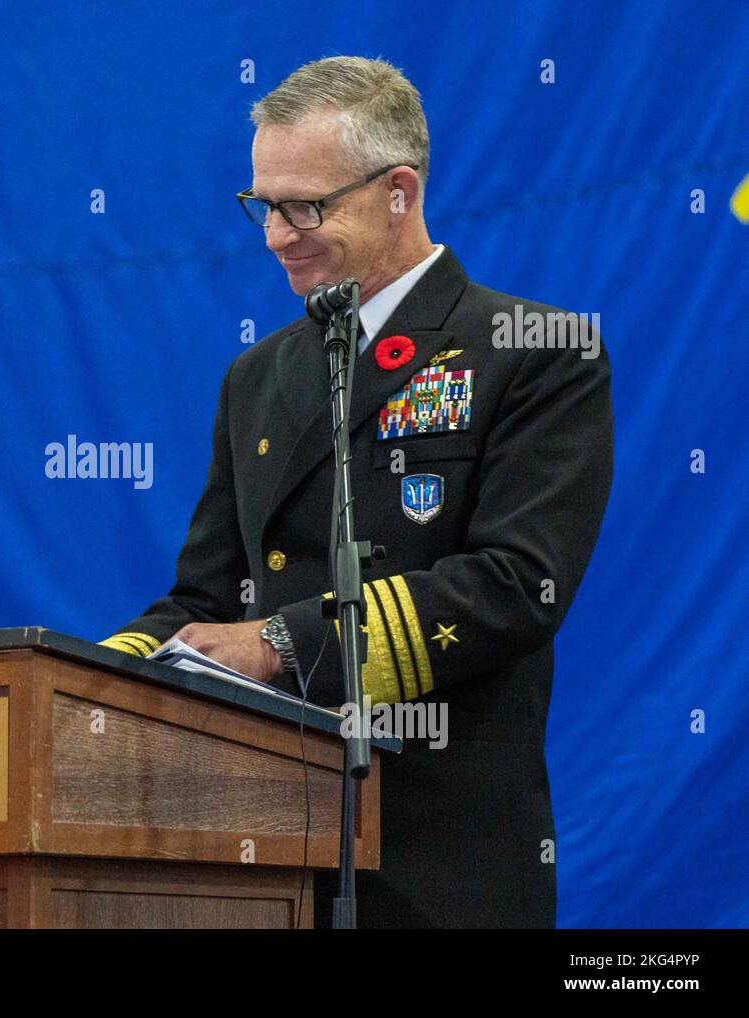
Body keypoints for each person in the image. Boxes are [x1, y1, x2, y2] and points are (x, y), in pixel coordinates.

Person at [99, 56, 613, 928]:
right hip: (260, 858)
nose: (276, 235)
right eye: (262, 206)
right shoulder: (255, 378)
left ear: (400, 190)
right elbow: (204, 596)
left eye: (307, 206)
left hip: (440, 858)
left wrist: (278, 643)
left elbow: (518, 586)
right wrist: (89, 678)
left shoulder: (536, 350)